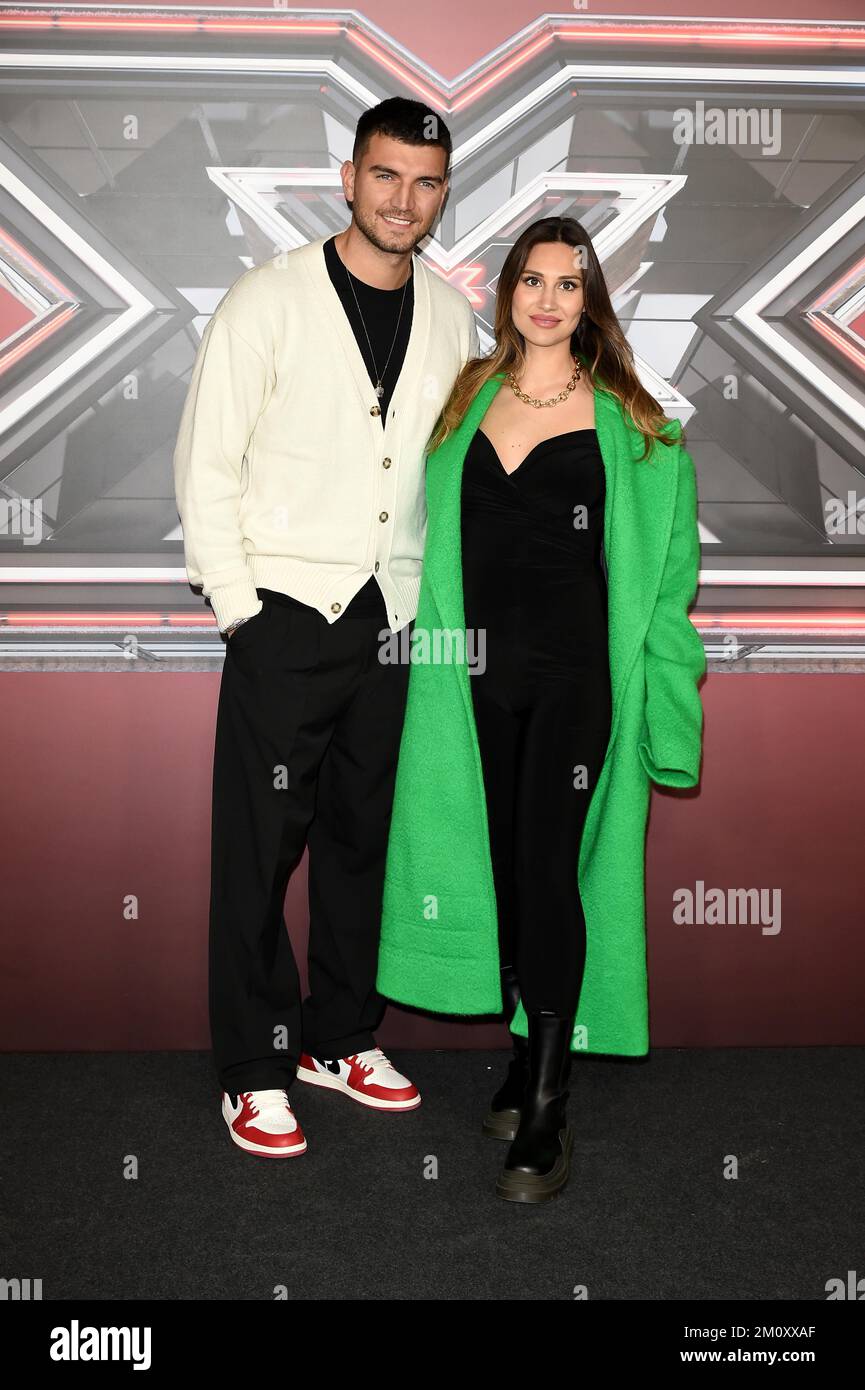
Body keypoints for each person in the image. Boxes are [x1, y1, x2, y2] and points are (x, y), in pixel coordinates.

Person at [376, 216, 706, 1203]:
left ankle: (551, 1102)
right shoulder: (465, 398)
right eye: (531, 279)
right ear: (507, 291)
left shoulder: (633, 422)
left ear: (589, 299)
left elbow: (667, 583)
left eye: (569, 281)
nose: (548, 298)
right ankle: (524, 1060)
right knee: (505, 875)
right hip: (468, 682)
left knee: (553, 875)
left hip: (574, 691)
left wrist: (669, 710)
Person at [173, 97, 479, 1158]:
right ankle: (254, 1064)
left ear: (445, 193)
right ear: (348, 178)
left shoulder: (451, 318)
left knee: (362, 843)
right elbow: (207, 463)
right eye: (386, 175)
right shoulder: (265, 301)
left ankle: (338, 1036)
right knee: (258, 851)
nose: (405, 199)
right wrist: (241, 610)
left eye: (426, 181)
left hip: (392, 625)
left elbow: (449, 477)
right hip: (284, 621)